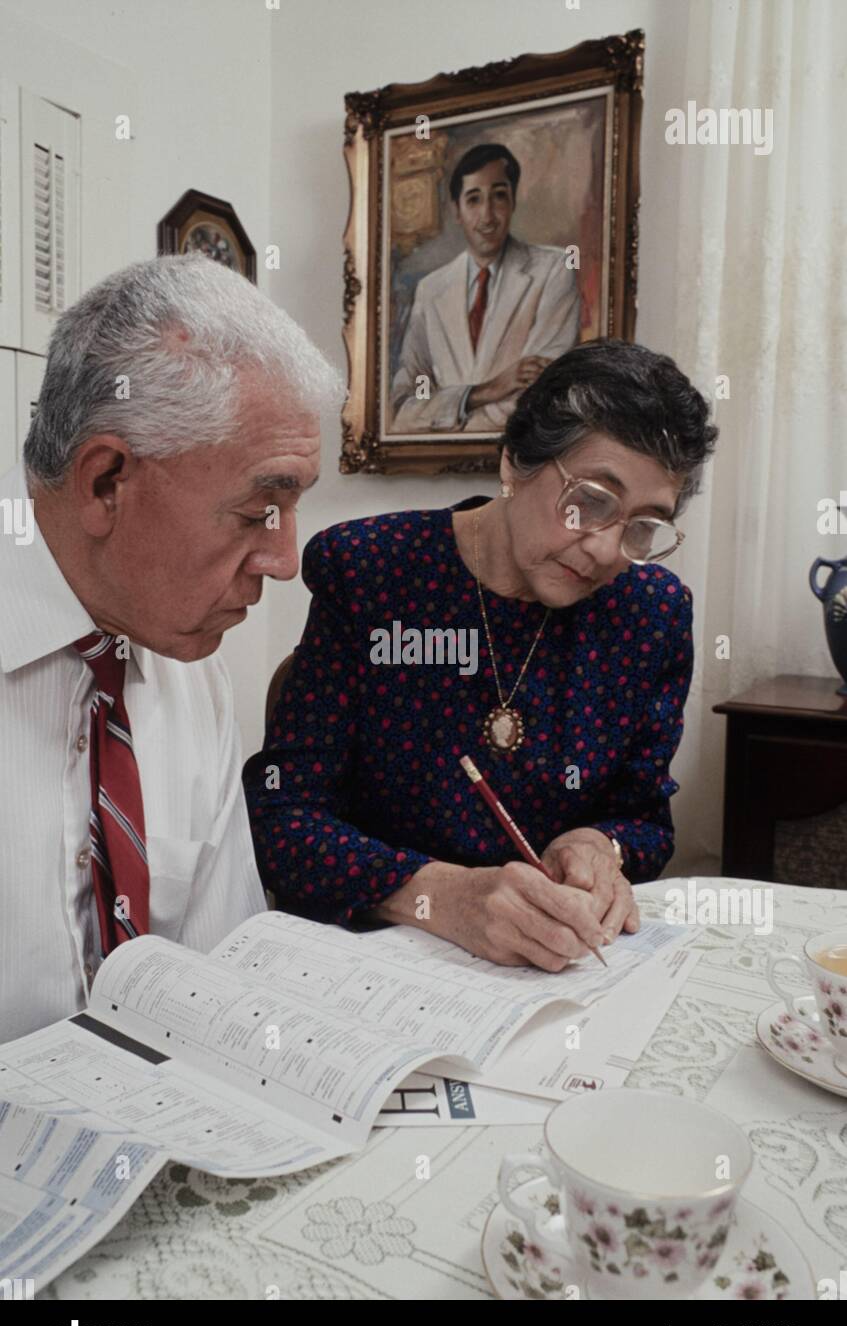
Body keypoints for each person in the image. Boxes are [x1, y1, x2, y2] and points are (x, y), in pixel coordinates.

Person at [245, 339, 718, 972]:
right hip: (369, 965)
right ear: (515, 463)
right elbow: (283, 815)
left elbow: (644, 820)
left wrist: (599, 844)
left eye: (643, 525)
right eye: (592, 501)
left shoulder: (648, 615)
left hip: (551, 972)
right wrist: (435, 896)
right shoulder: (372, 573)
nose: (608, 550)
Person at [0, 253, 343, 1042]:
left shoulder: (186, 661)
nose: (285, 560)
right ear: (106, 482)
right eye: (260, 507)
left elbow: (216, 967)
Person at [390, 143, 581, 434]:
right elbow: (402, 408)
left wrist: (447, 415)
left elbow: (542, 398)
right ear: (457, 210)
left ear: (513, 200)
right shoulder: (431, 289)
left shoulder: (554, 271)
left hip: (518, 459)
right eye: (474, 199)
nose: (488, 216)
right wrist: (486, 391)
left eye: (499, 197)